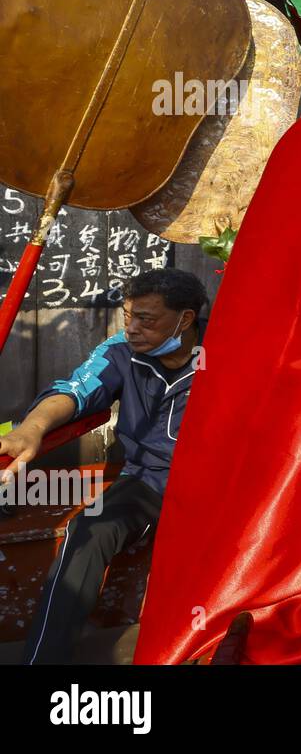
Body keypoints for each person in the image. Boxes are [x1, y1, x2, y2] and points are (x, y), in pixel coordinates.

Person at [1, 268, 208, 664]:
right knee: (87, 532)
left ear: (184, 319)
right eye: (128, 315)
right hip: (148, 480)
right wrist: (34, 426)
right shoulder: (121, 350)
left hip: (217, 482)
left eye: (146, 319)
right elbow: (75, 391)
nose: (131, 328)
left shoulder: (230, 344)